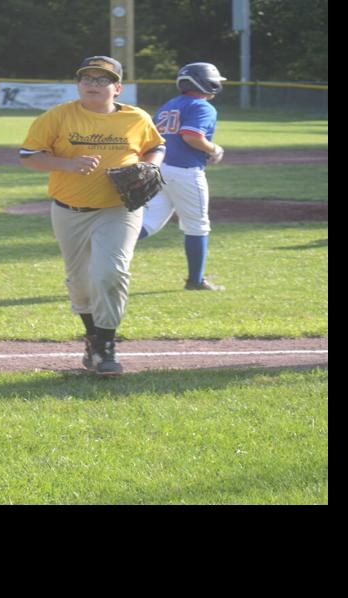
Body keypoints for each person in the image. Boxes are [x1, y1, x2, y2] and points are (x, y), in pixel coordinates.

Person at [18, 55, 164, 377]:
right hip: (69, 210)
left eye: (102, 79)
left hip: (118, 210)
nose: (93, 85)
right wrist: (68, 164)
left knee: (110, 273)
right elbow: (28, 156)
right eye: (87, 78)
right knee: (80, 281)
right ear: (78, 84)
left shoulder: (136, 118)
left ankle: (106, 346)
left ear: (117, 88)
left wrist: (151, 165)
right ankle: (92, 337)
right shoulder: (58, 117)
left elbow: (156, 146)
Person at [138, 62, 228, 291]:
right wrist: (214, 149)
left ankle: (100, 248)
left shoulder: (169, 105)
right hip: (185, 171)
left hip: (159, 167)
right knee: (197, 226)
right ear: (207, 82)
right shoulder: (202, 106)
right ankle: (196, 281)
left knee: (149, 222)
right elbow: (191, 136)